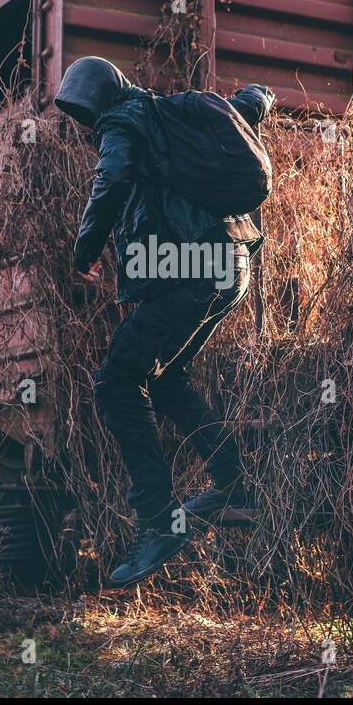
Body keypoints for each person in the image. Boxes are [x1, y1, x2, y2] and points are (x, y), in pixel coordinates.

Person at [54, 56, 274, 588]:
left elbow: (111, 180)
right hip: (231, 265)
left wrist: (83, 248)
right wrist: (256, 100)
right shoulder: (171, 115)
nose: (88, 124)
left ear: (97, 101)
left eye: (86, 113)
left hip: (190, 273)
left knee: (116, 382)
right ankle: (232, 484)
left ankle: (159, 523)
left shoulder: (124, 121)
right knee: (167, 378)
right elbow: (249, 102)